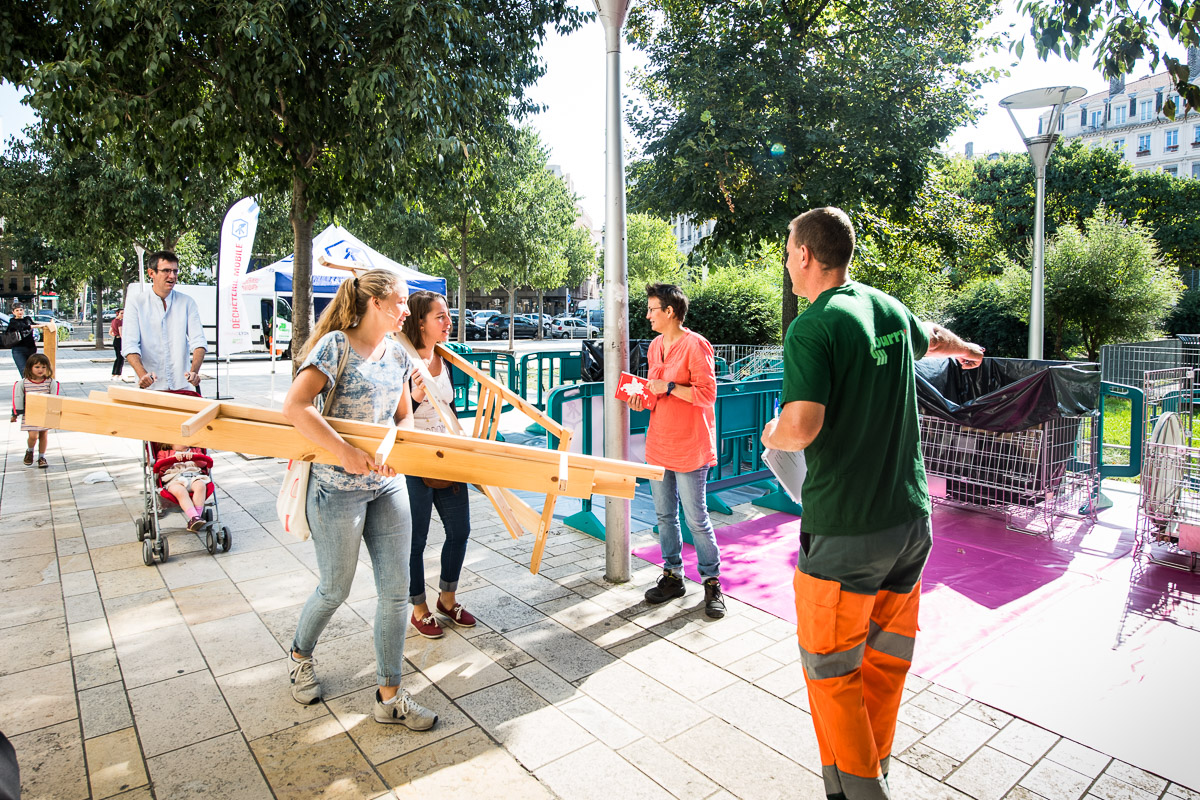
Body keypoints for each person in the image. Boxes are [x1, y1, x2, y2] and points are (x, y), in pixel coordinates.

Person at [760, 207, 984, 800]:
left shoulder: (812, 327)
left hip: (846, 532)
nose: (787, 262)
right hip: (909, 524)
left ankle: (861, 793)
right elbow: (932, 336)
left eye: (788, 251)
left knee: (831, 671)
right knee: (884, 665)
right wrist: (966, 349)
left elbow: (802, 426)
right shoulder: (885, 308)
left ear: (805, 254)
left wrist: (772, 433)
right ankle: (869, 775)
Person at [282, 268, 438, 732]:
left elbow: (404, 417)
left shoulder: (398, 353)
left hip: (385, 487)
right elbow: (295, 406)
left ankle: (389, 696)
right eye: (401, 302)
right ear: (375, 303)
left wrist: (393, 449)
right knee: (336, 588)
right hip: (335, 489)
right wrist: (344, 451)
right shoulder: (336, 345)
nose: (406, 310)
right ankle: (299, 655)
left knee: (396, 591)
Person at [624, 283, 725, 619]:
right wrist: (641, 400)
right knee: (665, 517)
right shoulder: (655, 346)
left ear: (670, 312)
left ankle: (712, 582)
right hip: (659, 443)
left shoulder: (696, 345)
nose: (647, 315)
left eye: (652, 309)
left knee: (696, 519)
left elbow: (707, 395)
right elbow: (655, 394)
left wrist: (668, 386)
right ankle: (672, 577)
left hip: (691, 445)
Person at [399, 291, 476, 639]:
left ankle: (447, 598)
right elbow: (392, 417)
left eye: (448, 315)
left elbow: (450, 408)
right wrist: (415, 398)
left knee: (460, 530)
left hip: (448, 455)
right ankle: (419, 608)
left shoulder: (444, 358)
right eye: (440, 316)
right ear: (420, 322)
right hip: (414, 458)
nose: (449, 322)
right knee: (415, 539)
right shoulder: (401, 359)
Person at [123, 251, 206, 391]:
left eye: (175, 271)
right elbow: (129, 345)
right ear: (151, 273)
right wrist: (143, 375)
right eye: (166, 271)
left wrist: (194, 372)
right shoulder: (136, 303)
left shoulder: (187, 302)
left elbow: (199, 341)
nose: (172, 276)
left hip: (183, 385)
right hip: (151, 388)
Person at [11, 354, 61, 469]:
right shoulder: (24, 383)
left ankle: (42, 457)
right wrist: (14, 414)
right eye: (37, 367)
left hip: (45, 413)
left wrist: (55, 413)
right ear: (30, 367)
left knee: (43, 434)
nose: (40, 370)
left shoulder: (50, 382)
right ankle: (30, 451)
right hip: (30, 414)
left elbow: (55, 398)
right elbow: (17, 398)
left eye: (43, 367)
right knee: (33, 436)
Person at [155, 443, 211, 531]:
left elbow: (204, 464)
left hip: (194, 476)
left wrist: (195, 457)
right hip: (174, 479)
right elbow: (160, 468)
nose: (185, 442)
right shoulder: (164, 452)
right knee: (180, 491)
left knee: (201, 486)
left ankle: (196, 518)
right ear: (170, 443)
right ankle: (195, 517)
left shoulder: (195, 450)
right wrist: (172, 459)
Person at [5, 303, 38, 377]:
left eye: (21, 310)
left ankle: (33, 384)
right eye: (17, 310)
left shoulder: (28, 319)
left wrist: (46, 325)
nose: (19, 312)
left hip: (31, 348)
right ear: (13, 312)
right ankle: (27, 384)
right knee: (24, 371)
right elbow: (22, 327)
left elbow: (35, 324)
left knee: (33, 370)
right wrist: (34, 326)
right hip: (18, 349)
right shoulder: (13, 321)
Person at [110, 308, 125, 380]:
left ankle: (114, 373)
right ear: (117, 313)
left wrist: (115, 335)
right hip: (120, 340)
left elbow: (110, 332)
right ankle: (119, 374)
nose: (123, 315)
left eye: (124, 313)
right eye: (121, 313)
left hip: (115, 340)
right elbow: (121, 333)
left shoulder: (113, 321)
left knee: (117, 357)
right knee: (121, 358)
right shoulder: (119, 322)